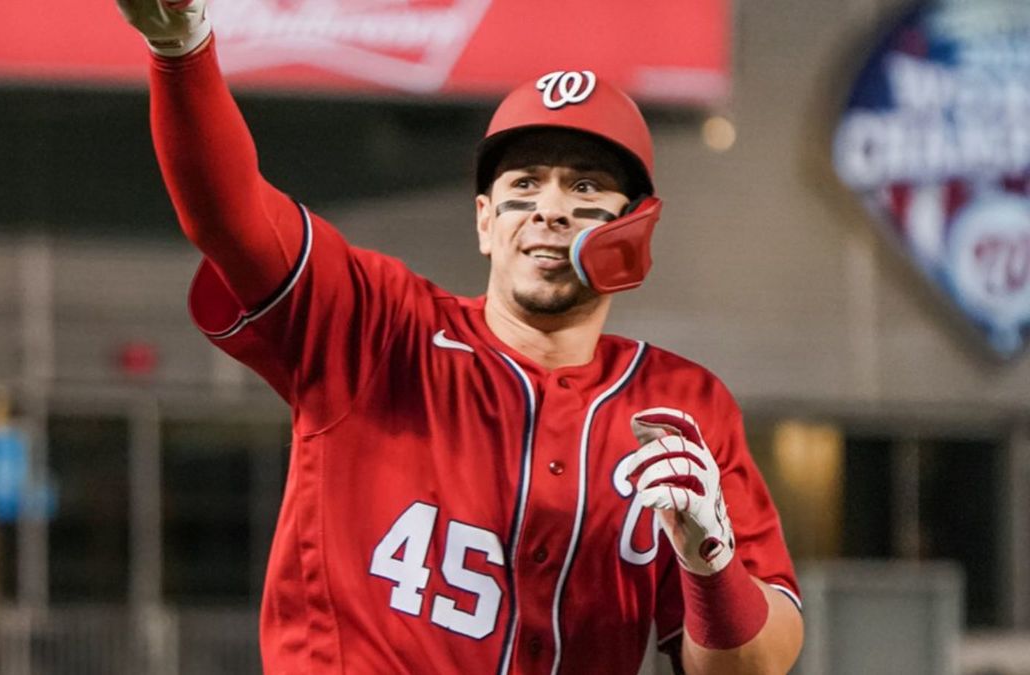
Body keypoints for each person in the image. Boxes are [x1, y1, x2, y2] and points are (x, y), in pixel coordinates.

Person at [117, 1, 804, 673]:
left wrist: (711, 567)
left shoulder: (681, 405)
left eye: (586, 184)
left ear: (635, 228)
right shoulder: (378, 325)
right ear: (484, 221)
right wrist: (181, 50)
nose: (550, 208)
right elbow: (231, 217)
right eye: (525, 182)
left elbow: (754, 665)